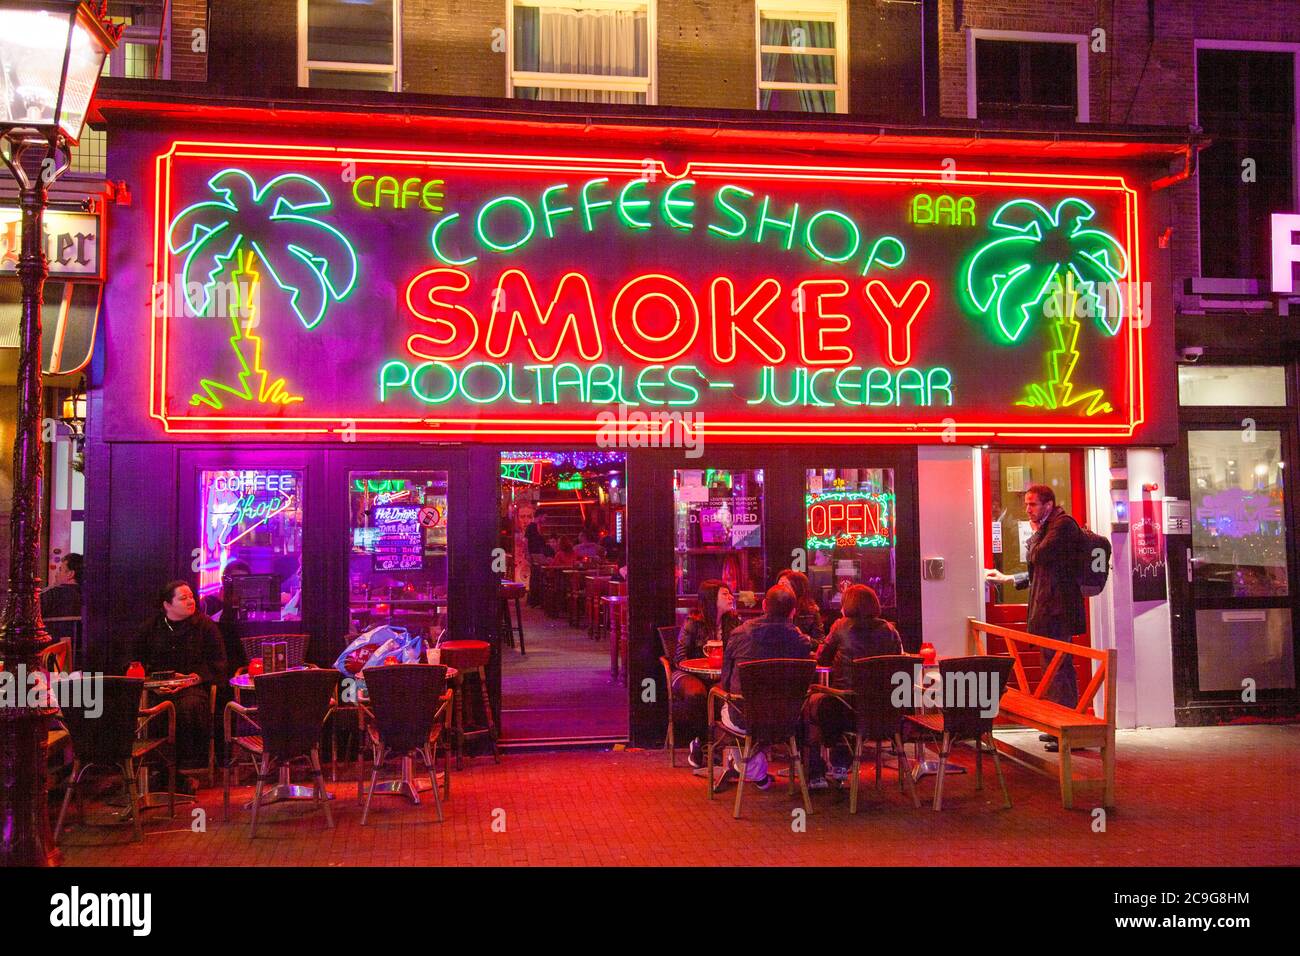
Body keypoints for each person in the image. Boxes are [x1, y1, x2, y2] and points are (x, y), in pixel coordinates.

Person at [985, 483, 1089, 752]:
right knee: (1052, 668)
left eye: (1032, 504)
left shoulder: (1062, 525)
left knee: (1059, 667)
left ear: (1048, 505)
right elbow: (1042, 571)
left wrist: (1033, 535)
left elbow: (1039, 555)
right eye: (1027, 504)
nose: (1027, 509)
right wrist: (1010, 578)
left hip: (1058, 611)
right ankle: (1058, 727)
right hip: (1050, 610)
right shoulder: (1049, 527)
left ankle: (1068, 732)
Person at [128, 581, 229, 789]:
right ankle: (158, 770)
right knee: (152, 712)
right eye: (183, 598)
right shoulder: (151, 627)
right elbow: (133, 661)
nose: (190, 601)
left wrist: (195, 678)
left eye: (191, 596)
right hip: (157, 688)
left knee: (187, 709)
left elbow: (219, 664)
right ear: (167, 604)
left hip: (191, 688)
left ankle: (178, 771)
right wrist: (151, 683)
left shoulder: (205, 626)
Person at [714, 585, 814, 791]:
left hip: (744, 718)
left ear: (764, 605)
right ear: (793, 611)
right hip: (787, 719)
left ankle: (751, 769)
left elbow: (725, 682)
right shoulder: (802, 642)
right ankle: (759, 769)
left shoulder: (739, 634)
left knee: (726, 703)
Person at [804, 584, 903, 787]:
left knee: (810, 704)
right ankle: (840, 762)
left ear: (847, 605)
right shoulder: (890, 630)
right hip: (883, 710)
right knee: (830, 705)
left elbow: (822, 658)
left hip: (846, 705)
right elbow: (897, 663)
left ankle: (816, 773)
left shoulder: (841, 626)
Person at [672, 579, 742, 769]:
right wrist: (702, 666)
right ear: (712, 599)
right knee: (697, 695)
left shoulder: (733, 622)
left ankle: (722, 747)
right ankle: (700, 742)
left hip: (719, 676)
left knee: (724, 696)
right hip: (689, 674)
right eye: (724, 594)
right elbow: (679, 658)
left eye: (730, 593)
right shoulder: (693, 622)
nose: (730, 597)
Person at [40, 553, 83, 639]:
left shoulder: (50, 594)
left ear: (70, 574)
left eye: (60, 570)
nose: (56, 574)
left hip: (51, 648)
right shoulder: (90, 597)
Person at [778, 569, 825, 644]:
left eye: (784, 585)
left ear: (797, 589)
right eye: (778, 585)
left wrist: (805, 638)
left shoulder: (811, 612)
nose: (779, 590)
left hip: (801, 653)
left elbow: (821, 642)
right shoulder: (774, 609)